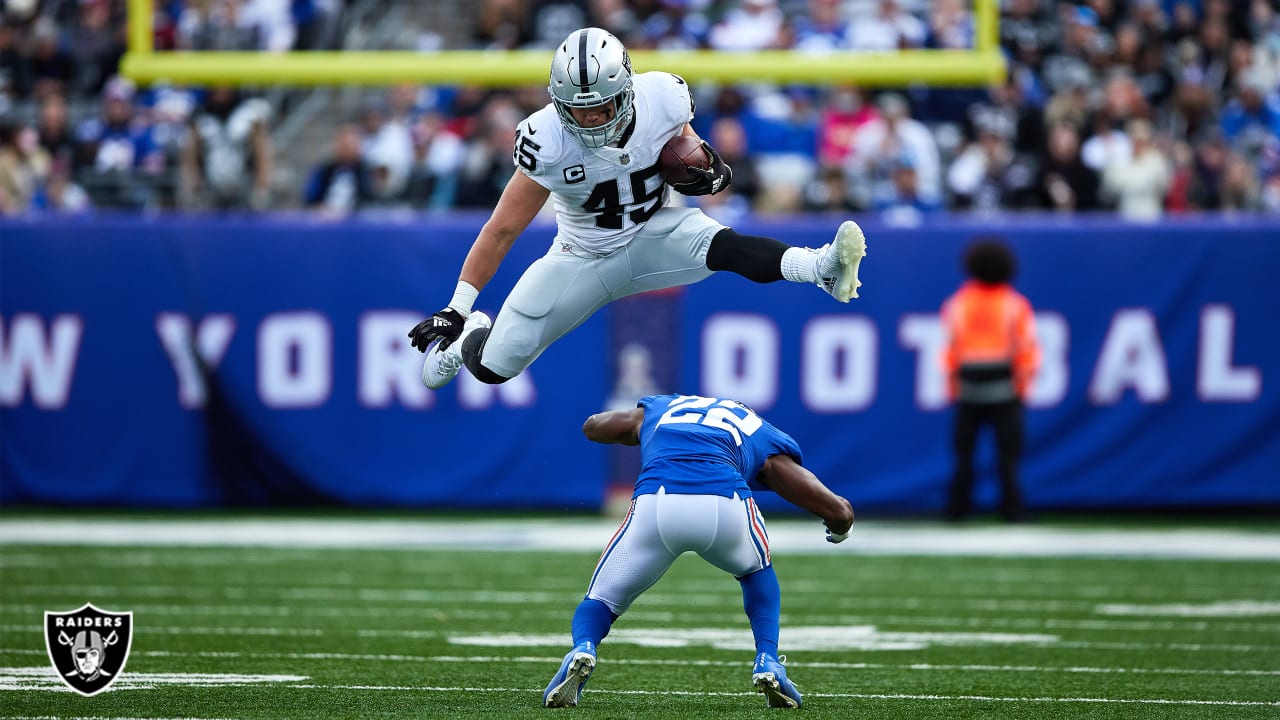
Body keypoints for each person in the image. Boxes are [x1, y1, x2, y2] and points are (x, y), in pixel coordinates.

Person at [408, 27, 867, 389]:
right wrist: (459, 309)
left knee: (722, 245)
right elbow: (501, 229)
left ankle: (820, 267)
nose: (589, 118)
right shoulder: (545, 140)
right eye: (578, 109)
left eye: (601, 107)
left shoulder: (663, 97)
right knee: (495, 369)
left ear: (625, 90)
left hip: (654, 233)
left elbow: (684, 146)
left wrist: (711, 167)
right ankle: (467, 342)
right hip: (580, 256)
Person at [542, 393, 855, 709]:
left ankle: (583, 647)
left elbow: (595, 427)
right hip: (725, 504)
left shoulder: (661, 408)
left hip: (657, 503)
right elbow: (793, 481)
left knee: (602, 599)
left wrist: (641, 433)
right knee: (756, 571)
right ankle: (767, 658)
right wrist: (839, 519)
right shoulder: (750, 423)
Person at [939, 239, 1041, 523]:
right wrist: (1022, 387)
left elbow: (950, 349)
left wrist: (952, 386)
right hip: (1005, 391)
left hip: (968, 391)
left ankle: (958, 509)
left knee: (964, 454)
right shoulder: (1014, 304)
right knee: (1008, 456)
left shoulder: (958, 304)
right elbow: (1027, 349)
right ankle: (1013, 510)